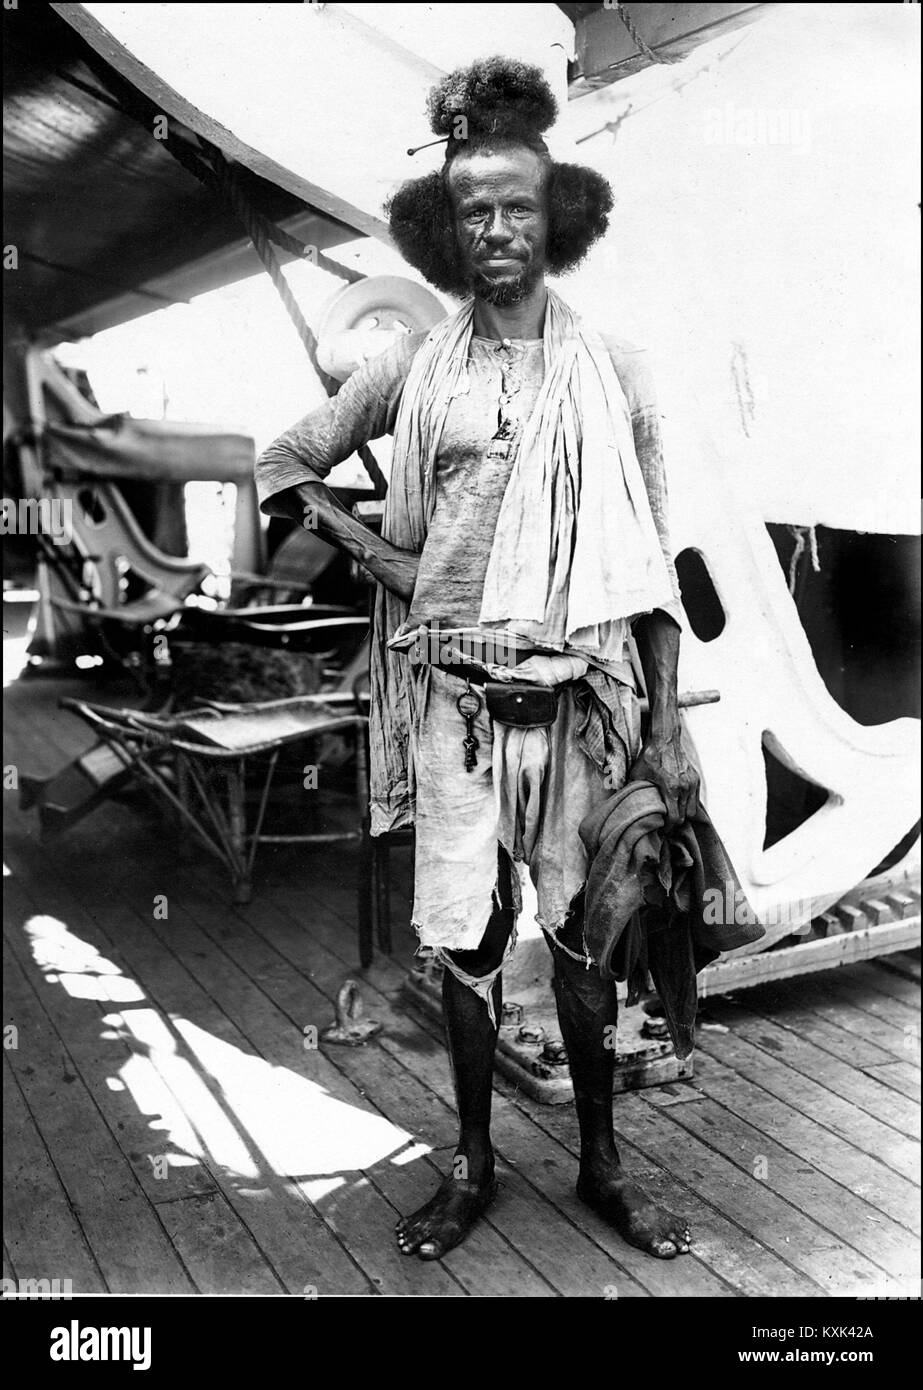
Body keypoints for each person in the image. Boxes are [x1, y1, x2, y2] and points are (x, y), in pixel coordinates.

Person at [256, 57, 700, 1262]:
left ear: (557, 216)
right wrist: (376, 556)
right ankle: (471, 1164)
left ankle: (602, 1163)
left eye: (515, 205)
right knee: (458, 943)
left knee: (580, 941)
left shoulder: (616, 372)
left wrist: (664, 720)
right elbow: (281, 463)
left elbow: (652, 563)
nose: (495, 227)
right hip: (453, 707)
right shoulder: (410, 368)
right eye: (472, 211)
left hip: (574, 712)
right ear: (443, 232)